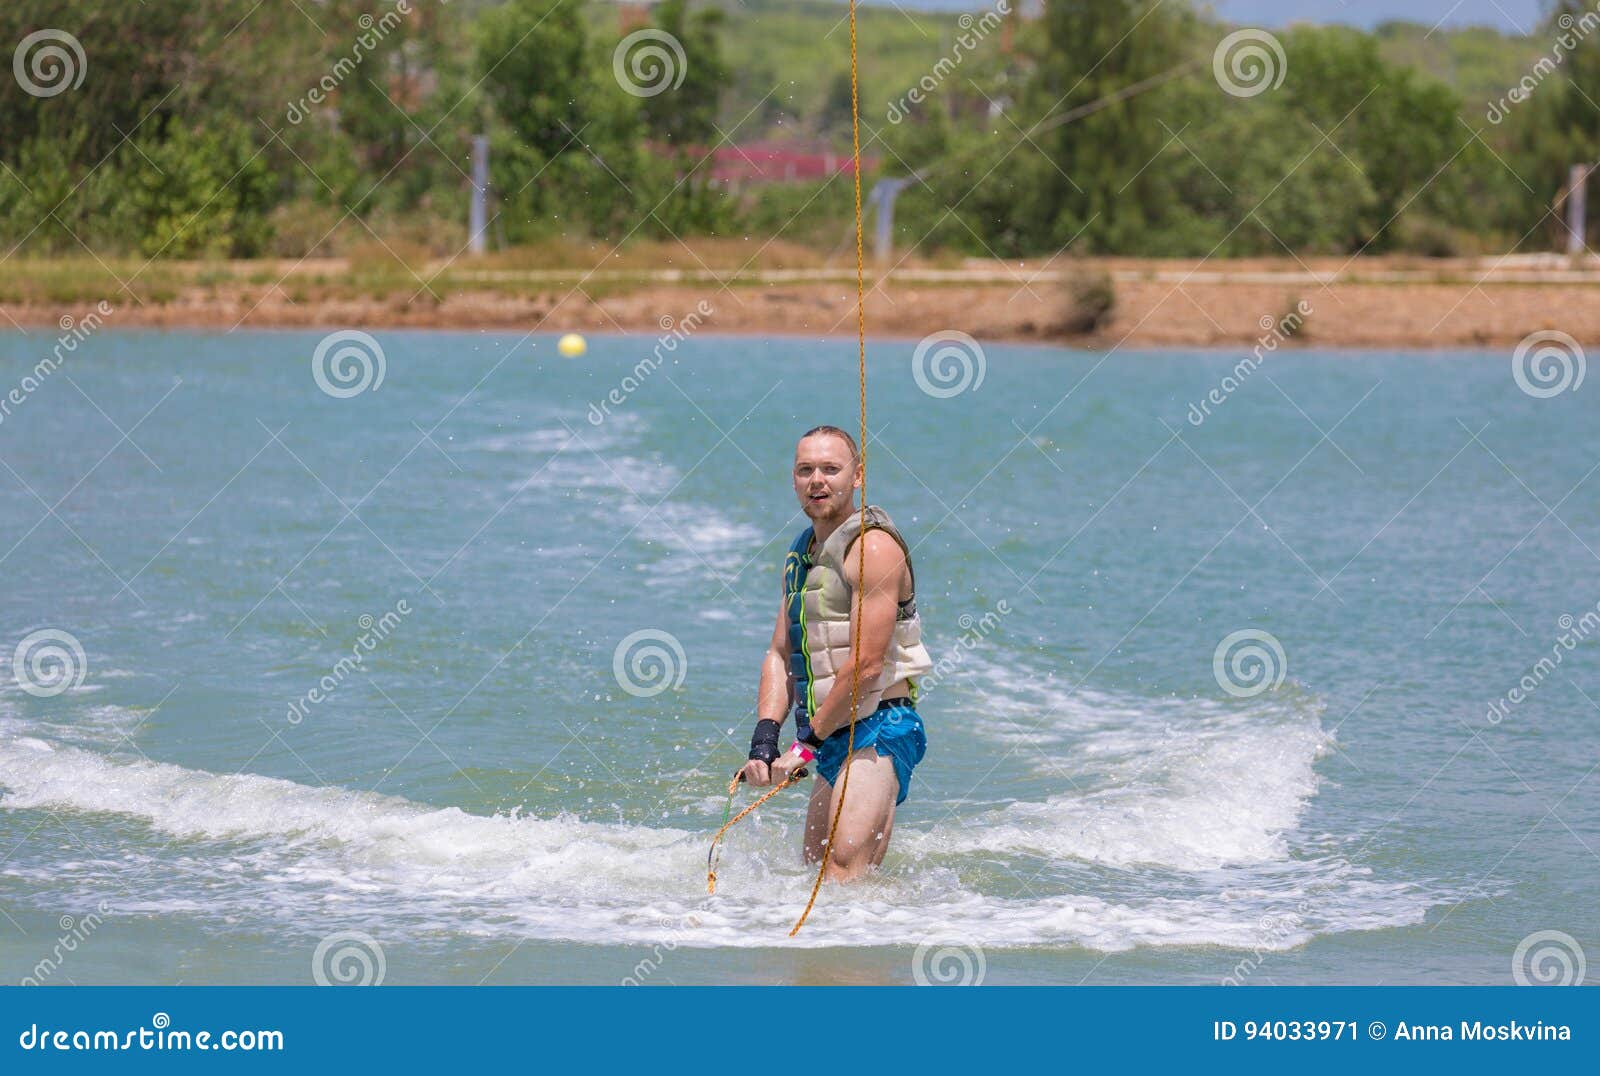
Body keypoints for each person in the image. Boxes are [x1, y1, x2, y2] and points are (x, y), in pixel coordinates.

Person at [740, 424, 934, 881]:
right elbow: (780, 651)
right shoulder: (800, 554)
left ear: (858, 475)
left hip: (881, 725)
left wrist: (803, 748)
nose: (817, 480)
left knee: (843, 869)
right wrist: (766, 739)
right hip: (830, 734)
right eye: (806, 470)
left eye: (831, 469)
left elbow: (867, 665)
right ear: (793, 478)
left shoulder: (873, 548)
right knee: (815, 871)